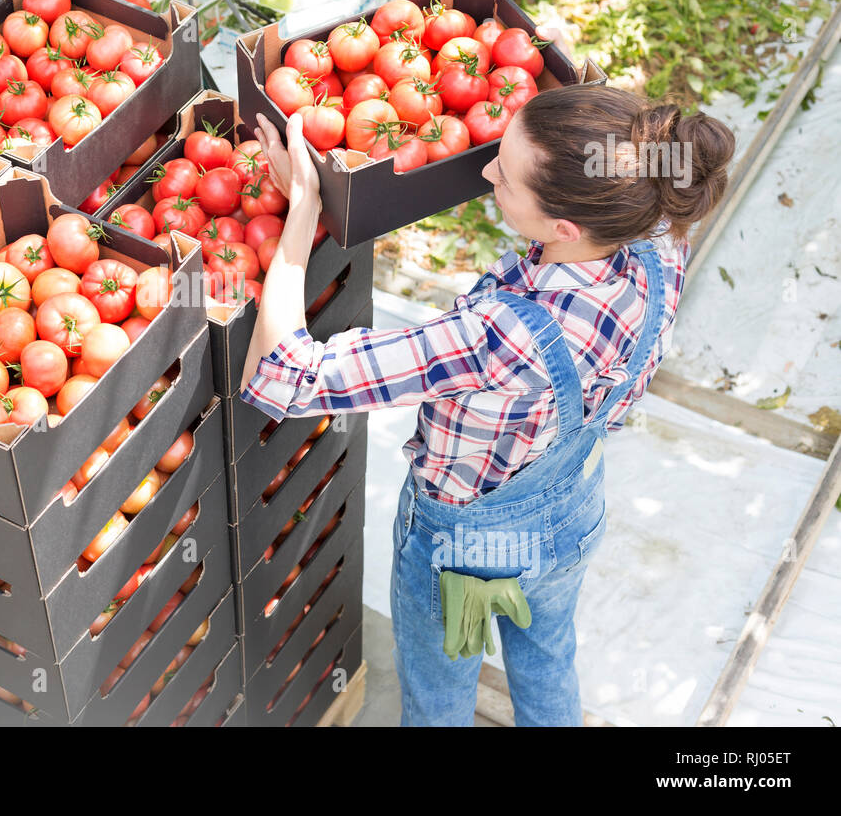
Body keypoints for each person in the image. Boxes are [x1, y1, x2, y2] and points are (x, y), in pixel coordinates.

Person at [237, 42, 736, 726]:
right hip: (569, 515)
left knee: (442, 695)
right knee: (547, 661)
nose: (486, 168)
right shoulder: (655, 236)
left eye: (503, 176)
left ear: (562, 226)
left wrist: (301, 214)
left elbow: (283, 381)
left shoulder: (500, 337)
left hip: (465, 551)